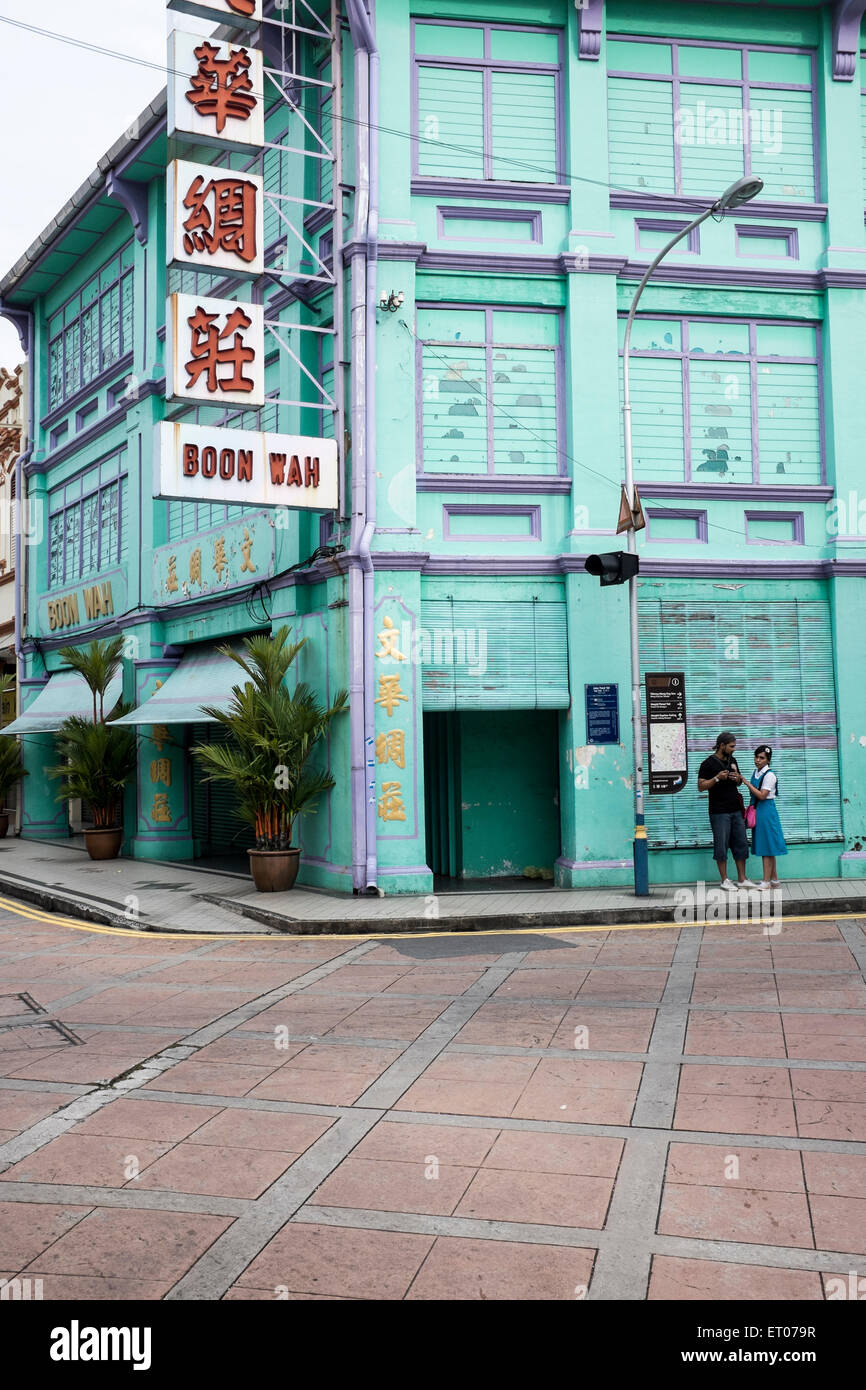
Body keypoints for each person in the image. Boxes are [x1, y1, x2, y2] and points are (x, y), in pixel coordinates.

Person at [697, 732, 757, 891]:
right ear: (722, 745)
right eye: (731, 746)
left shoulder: (733, 760)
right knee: (721, 846)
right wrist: (717, 778)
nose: (734, 749)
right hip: (719, 812)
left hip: (736, 810)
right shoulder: (708, 764)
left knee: (741, 844)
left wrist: (737, 778)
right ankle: (724, 880)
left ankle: (742, 879)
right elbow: (701, 786)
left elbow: (738, 782)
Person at [742, 745, 787, 890]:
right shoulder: (757, 772)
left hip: (766, 810)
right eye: (756, 757)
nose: (757, 760)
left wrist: (746, 782)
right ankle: (774, 880)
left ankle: (766, 881)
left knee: (766, 847)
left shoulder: (769, 775)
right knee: (767, 845)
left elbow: (762, 795)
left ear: (768, 760)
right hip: (759, 810)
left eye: (761, 758)